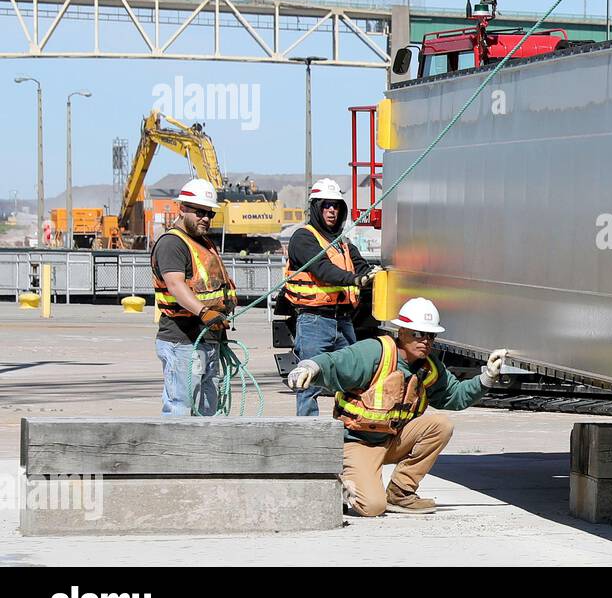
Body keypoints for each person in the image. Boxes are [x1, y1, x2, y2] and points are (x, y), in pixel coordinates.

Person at [287, 297, 509, 515]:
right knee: (372, 507)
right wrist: (309, 368)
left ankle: (400, 494)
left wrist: (487, 377)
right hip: (358, 443)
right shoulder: (375, 352)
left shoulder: (430, 367)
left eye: (431, 335)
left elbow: (454, 396)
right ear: (401, 332)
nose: (425, 341)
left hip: (392, 439)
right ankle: (339, 482)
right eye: (418, 334)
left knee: (440, 425)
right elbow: (336, 363)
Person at [284, 178, 378, 416]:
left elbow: (361, 266)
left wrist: (370, 275)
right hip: (315, 321)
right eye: (326, 205)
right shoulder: (303, 238)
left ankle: (351, 428)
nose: (331, 211)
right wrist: (354, 279)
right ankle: (309, 435)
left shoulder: (342, 243)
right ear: (315, 207)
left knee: (354, 377)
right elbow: (323, 270)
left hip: (343, 321)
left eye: (336, 206)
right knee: (309, 383)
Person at [150, 178, 235, 416]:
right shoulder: (172, 244)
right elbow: (176, 286)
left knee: (208, 409)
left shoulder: (203, 243)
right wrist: (204, 312)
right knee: (181, 408)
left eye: (210, 214)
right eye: (199, 212)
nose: (205, 219)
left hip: (208, 337)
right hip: (182, 340)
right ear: (182, 208)